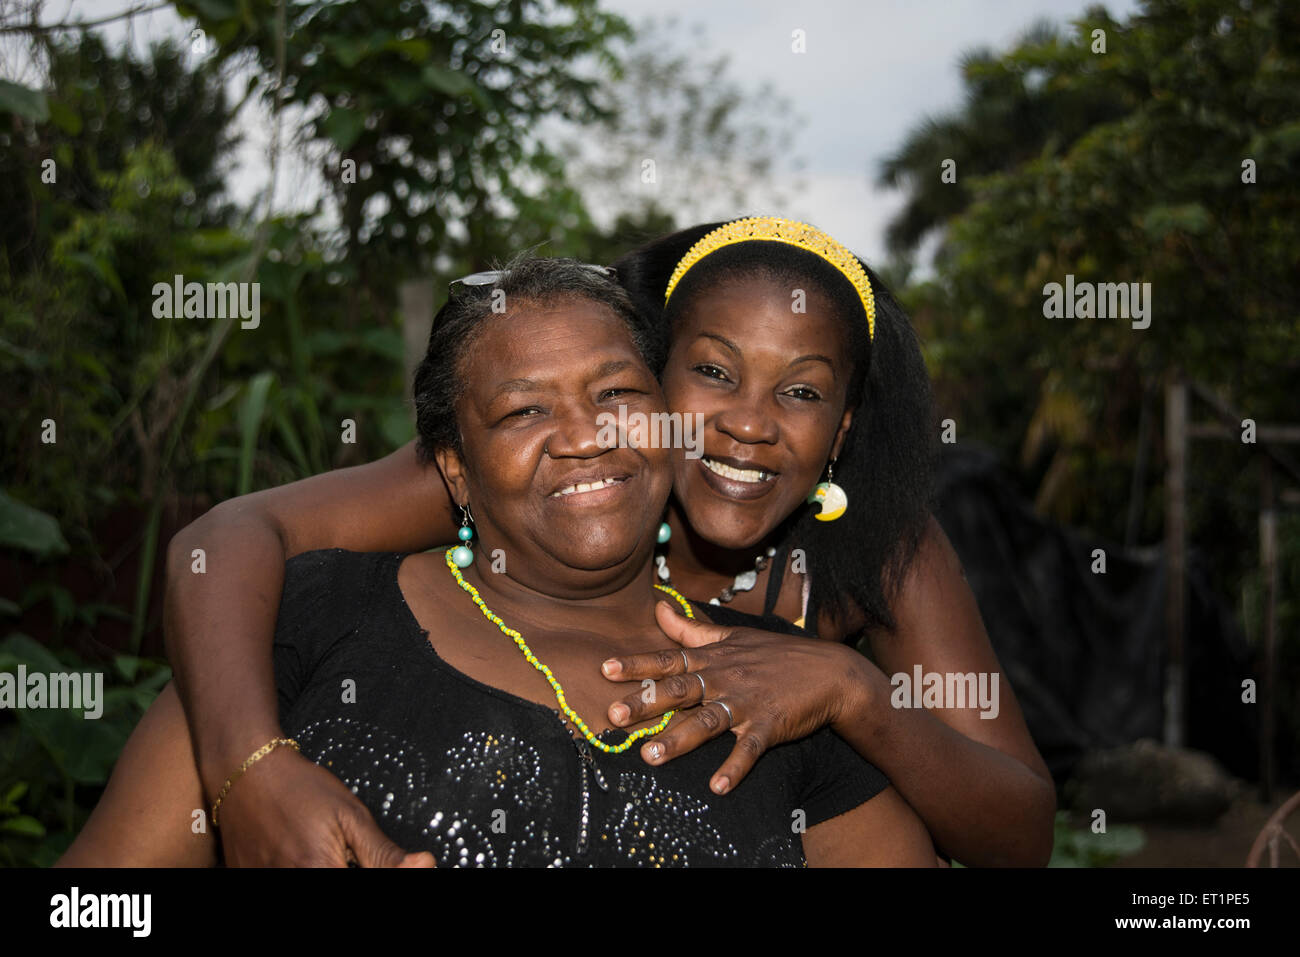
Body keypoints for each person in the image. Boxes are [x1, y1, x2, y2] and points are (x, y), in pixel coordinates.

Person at [164, 217, 1054, 867]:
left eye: (803, 391)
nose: (748, 424)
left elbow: (1019, 829)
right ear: (655, 374)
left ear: (844, 426)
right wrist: (248, 767)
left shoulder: (877, 548)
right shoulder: (557, 472)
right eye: (712, 371)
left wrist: (855, 693)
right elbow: (233, 534)